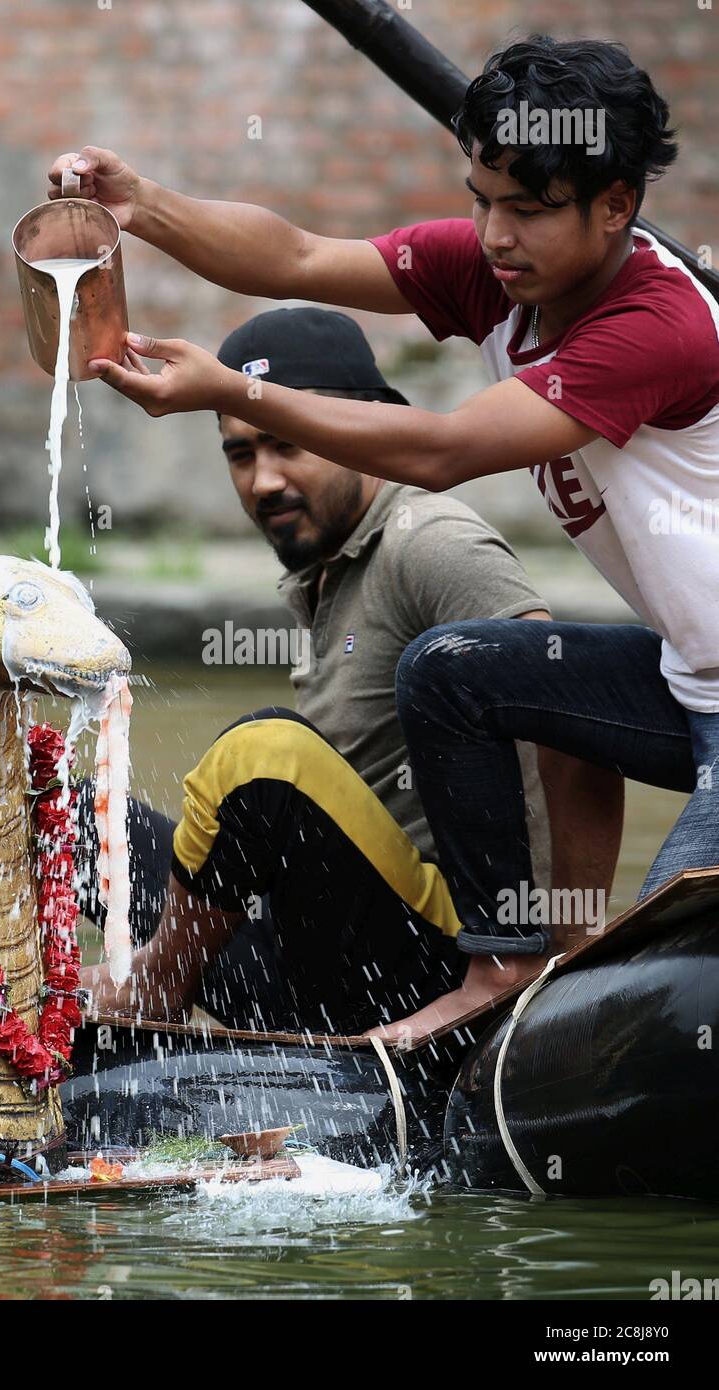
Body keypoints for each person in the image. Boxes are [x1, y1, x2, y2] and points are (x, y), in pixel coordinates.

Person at [50, 34, 718, 1042]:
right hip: (684, 680)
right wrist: (141, 204)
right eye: (480, 197)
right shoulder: (499, 271)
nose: (493, 233)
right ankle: (510, 967)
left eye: (527, 210)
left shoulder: (657, 326)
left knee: (665, 1010)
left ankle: (564, 999)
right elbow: (298, 258)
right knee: (452, 669)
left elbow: (445, 448)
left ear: (614, 206)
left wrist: (231, 389)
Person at [79, 307, 620, 1034]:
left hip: (433, 973)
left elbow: (574, 721)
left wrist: (564, 954)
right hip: (325, 948)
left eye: (287, 444)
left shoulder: (431, 542)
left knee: (261, 755)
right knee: (63, 804)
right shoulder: (329, 564)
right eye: (241, 454)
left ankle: (155, 983)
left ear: (358, 429)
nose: (264, 481)